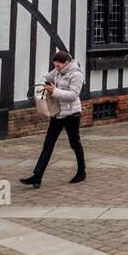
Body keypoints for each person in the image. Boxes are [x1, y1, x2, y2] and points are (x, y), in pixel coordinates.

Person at [21, 50, 86, 188]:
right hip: (58, 113)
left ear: (66, 63)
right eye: (55, 66)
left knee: (75, 143)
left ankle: (81, 172)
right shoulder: (57, 71)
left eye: (58, 66)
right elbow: (46, 76)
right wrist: (42, 84)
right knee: (48, 144)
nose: (56, 68)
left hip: (72, 114)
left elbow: (73, 95)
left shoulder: (76, 74)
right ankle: (37, 176)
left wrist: (54, 91)